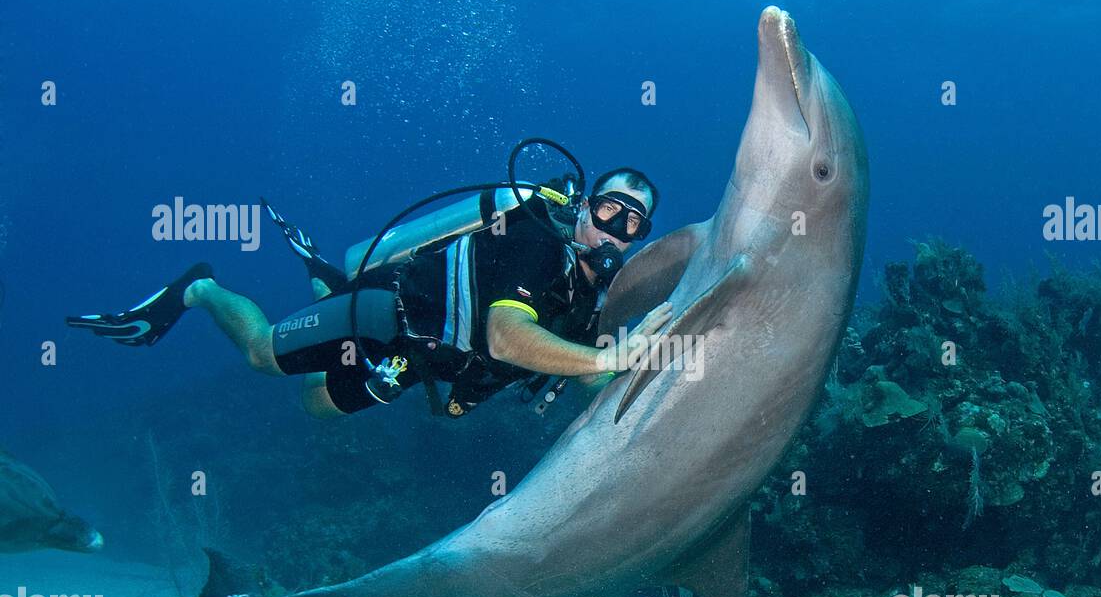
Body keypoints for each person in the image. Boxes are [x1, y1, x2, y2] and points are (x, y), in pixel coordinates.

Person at [66, 168, 673, 418]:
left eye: (633, 224)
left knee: (317, 406)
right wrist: (605, 359)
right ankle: (200, 288)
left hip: (419, 359)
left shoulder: (593, 298)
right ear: (584, 208)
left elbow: (580, 372)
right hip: (389, 312)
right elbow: (506, 335)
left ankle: (326, 278)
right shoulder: (537, 246)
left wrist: (633, 362)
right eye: (609, 210)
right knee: (260, 357)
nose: (616, 230)